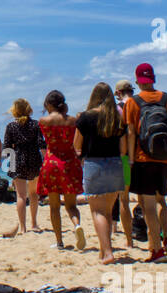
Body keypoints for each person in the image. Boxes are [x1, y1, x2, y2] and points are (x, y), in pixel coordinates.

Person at [122, 64, 167, 261]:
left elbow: (131, 132)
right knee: (161, 201)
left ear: (138, 80)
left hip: (143, 159)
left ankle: (155, 249)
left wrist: (130, 159)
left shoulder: (133, 102)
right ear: (154, 78)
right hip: (166, 159)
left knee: (147, 205)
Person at [74, 82, 127, 264]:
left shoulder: (85, 118)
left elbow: (76, 146)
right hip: (115, 165)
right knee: (108, 211)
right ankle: (105, 249)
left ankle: (107, 252)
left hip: (94, 164)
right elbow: (123, 148)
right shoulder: (117, 118)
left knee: (97, 212)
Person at [37, 90, 83, 250]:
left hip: (52, 162)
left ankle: (59, 242)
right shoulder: (73, 121)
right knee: (71, 205)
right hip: (70, 162)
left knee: (54, 206)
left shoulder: (44, 120)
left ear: (49, 104)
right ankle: (77, 225)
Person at [3, 98, 43, 233]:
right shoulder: (35, 124)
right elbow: (41, 143)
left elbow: (7, 147)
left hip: (17, 158)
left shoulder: (10, 126)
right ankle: (34, 224)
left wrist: (9, 162)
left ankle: (22, 227)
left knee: (20, 195)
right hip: (33, 158)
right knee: (33, 194)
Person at [113, 79, 136, 241]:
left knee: (121, 198)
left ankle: (116, 229)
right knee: (145, 196)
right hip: (141, 156)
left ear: (118, 93)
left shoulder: (116, 109)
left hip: (123, 157)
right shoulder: (139, 104)